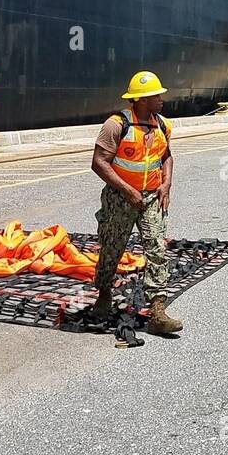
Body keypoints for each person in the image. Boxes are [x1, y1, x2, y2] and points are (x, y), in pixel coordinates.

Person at [90, 70, 181, 347]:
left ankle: (157, 311)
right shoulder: (116, 125)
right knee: (112, 248)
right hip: (120, 199)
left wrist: (166, 184)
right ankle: (104, 292)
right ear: (141, 99)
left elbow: (166, 156)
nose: (161, 99)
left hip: (151, 197)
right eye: (156, 96)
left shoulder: (162, 125)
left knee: (157, 248)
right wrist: (127, 190)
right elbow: (99, 162)